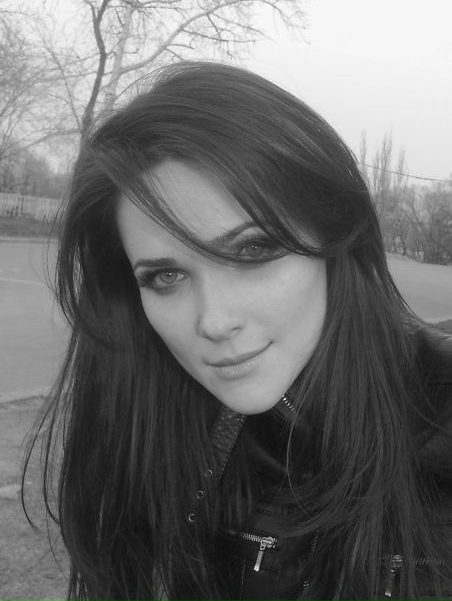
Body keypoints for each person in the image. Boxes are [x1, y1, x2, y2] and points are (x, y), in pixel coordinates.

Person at [25, 61, 452, 600]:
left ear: (336, 239)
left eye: (253, 250)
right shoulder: (170, 426)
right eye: (166, 276)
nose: (214, 321)